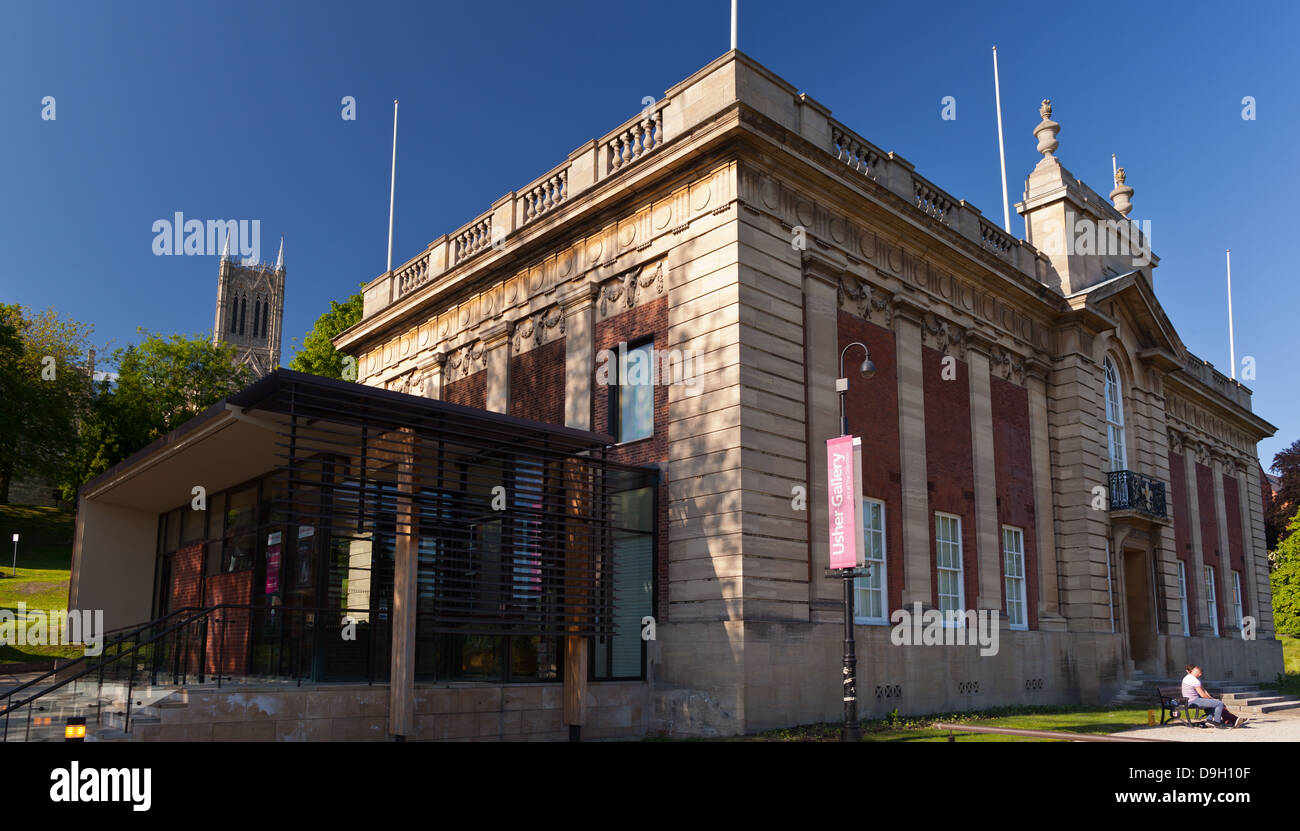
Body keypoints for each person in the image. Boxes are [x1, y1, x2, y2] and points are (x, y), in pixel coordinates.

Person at [1181, 664, 1248, 728]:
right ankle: (1217, 722)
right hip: (1193, 701)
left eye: (1201, 672)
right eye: (1198, 672)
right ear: (1192, 671)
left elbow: (1204, 690)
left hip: (1191, 700)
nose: (1200, 674)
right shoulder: (1193, 680)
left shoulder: (1190, 678)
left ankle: (1209, 721)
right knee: (1219, 704)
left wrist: (1211, 698)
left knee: (1215, 704)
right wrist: (1212, 700)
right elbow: (1202, 694)